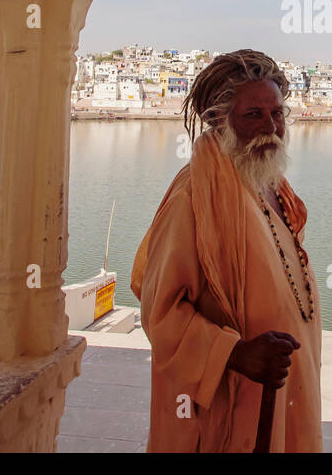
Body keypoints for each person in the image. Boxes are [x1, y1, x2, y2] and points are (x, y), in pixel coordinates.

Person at [130, 49, 321, 452]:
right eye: (254, 115)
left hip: (283, 392)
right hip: (230, 401)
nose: (271, 126)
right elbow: (159, 310)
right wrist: (236, 354)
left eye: (278, 114)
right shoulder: (193, 195)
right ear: (219, 119)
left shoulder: (272, 187)